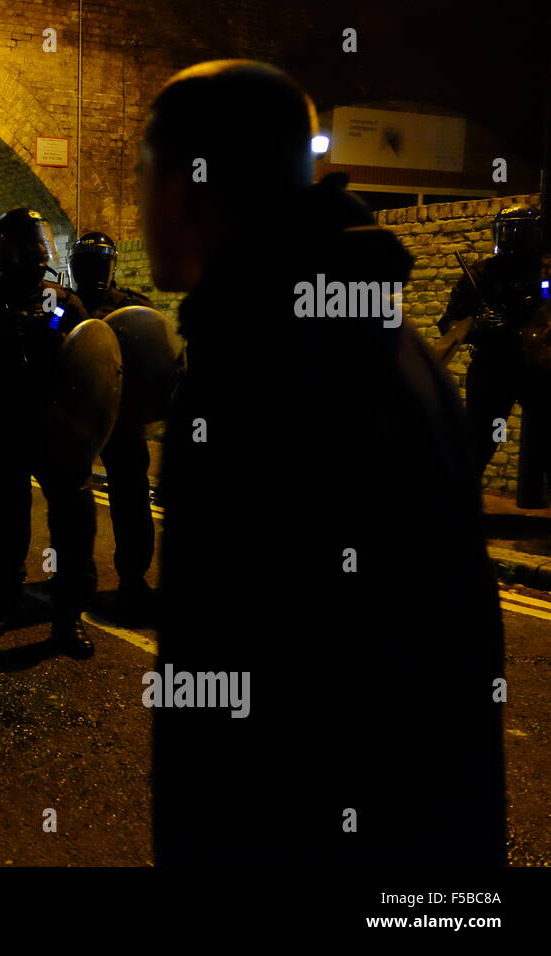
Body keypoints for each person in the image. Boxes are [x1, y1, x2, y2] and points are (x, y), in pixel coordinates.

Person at [143, 59, 504, 864]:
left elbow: (244, 680)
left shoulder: (261, 361)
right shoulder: (379, 333)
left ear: (185, 190)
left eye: (143, 174)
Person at [0, 208, 98, 659]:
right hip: (4, 430)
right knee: (8, 525)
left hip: (57, 430)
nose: (39, 255)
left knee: (73, 527)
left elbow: (86, 360)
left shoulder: (60, 301)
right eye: (30, 245)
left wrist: (44, 331)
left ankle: (67, 618)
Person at [68, 232, 159, 621]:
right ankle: (75, 575)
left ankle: (133, 576)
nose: (92, 272)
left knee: (132, 499)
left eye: (98, 263)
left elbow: (154, 358)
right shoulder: (61, 307)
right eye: (86, 264)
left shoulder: (134, 308)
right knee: (72, 499)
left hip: (121, 417)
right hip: (75, 416)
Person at [439, 203, 550, 507]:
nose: (513, 240)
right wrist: (477, 325)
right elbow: (448, 322)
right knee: (478, 441)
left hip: (538, 367)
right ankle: (459, 511)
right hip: (493, 366)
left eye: (521, 233)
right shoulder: (483, 273)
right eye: (509, 232)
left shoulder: (546, 270)